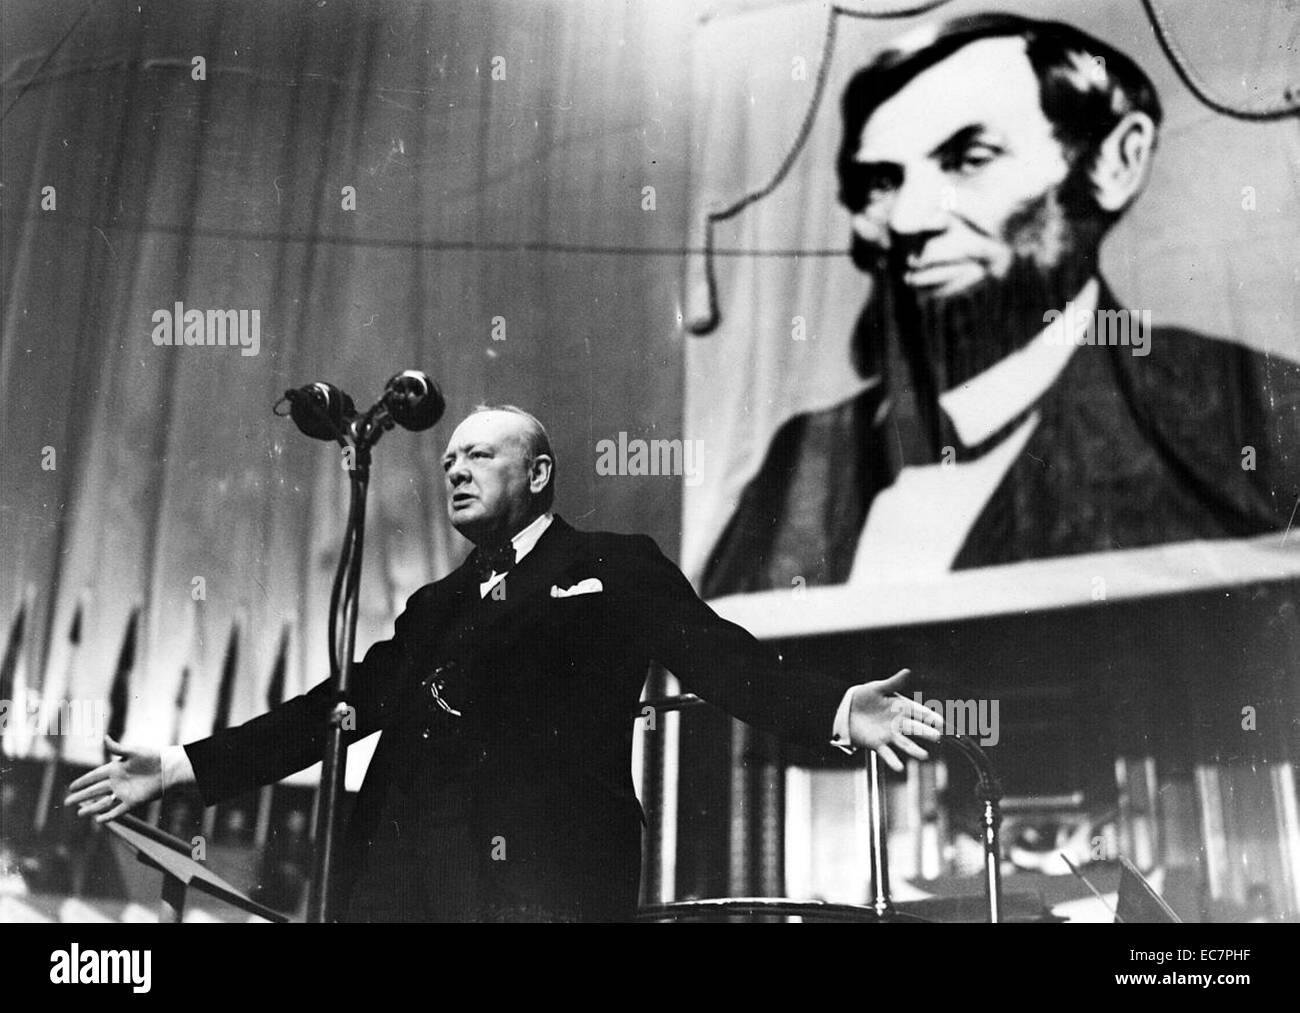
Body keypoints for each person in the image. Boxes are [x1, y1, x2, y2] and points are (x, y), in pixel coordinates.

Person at [66, 405, 942, 921]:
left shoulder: (613, 563)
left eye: (479, 454)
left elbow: (720, 659)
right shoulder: (433, 606)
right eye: (447, 458)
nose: (454, 468)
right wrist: (184, 764)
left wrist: (835, 710)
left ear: (540, 471)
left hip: (544, 889)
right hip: (404, 895)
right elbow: (334, 706)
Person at [702, 13, 1300, 597]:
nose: (910, 220)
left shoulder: (1244, 418)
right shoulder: (800, 464)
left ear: (1116, 162)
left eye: (969, 159)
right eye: (880, 184)